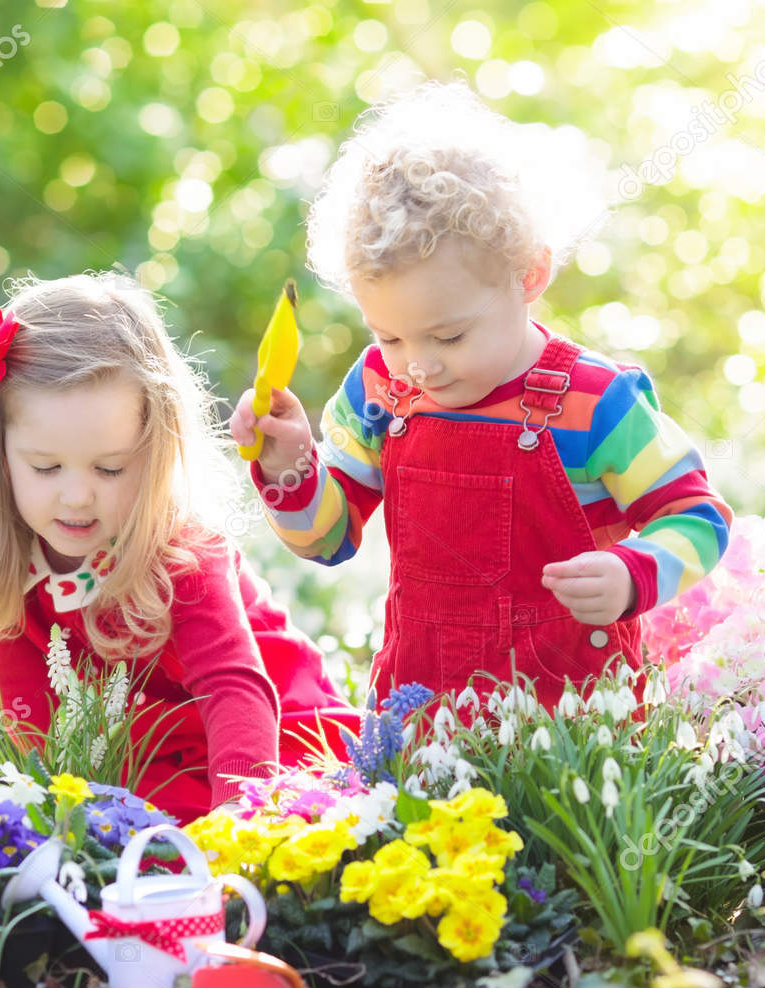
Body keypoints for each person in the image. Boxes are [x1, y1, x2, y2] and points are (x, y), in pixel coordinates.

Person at [229, 82, 735, 711]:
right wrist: (289, 466)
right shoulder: (378, 390)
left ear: (529, 276)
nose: (420, 364)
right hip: (420, 716)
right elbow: (328, 542)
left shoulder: (596, 401)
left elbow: (698, 517)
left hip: (574, 727)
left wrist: (632, 574)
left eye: (450, 335)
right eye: (389, 335)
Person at [0, 271, 359, 824]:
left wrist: (240, 833)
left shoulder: (181, 549)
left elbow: (235, 688)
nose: (77, 496)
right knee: (111, 817)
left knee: (305, 811)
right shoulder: (1, 562)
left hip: (267, 735)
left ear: (153, 452)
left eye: (110, 467)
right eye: (45, 467)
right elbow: (37, 730)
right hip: (150, 757)